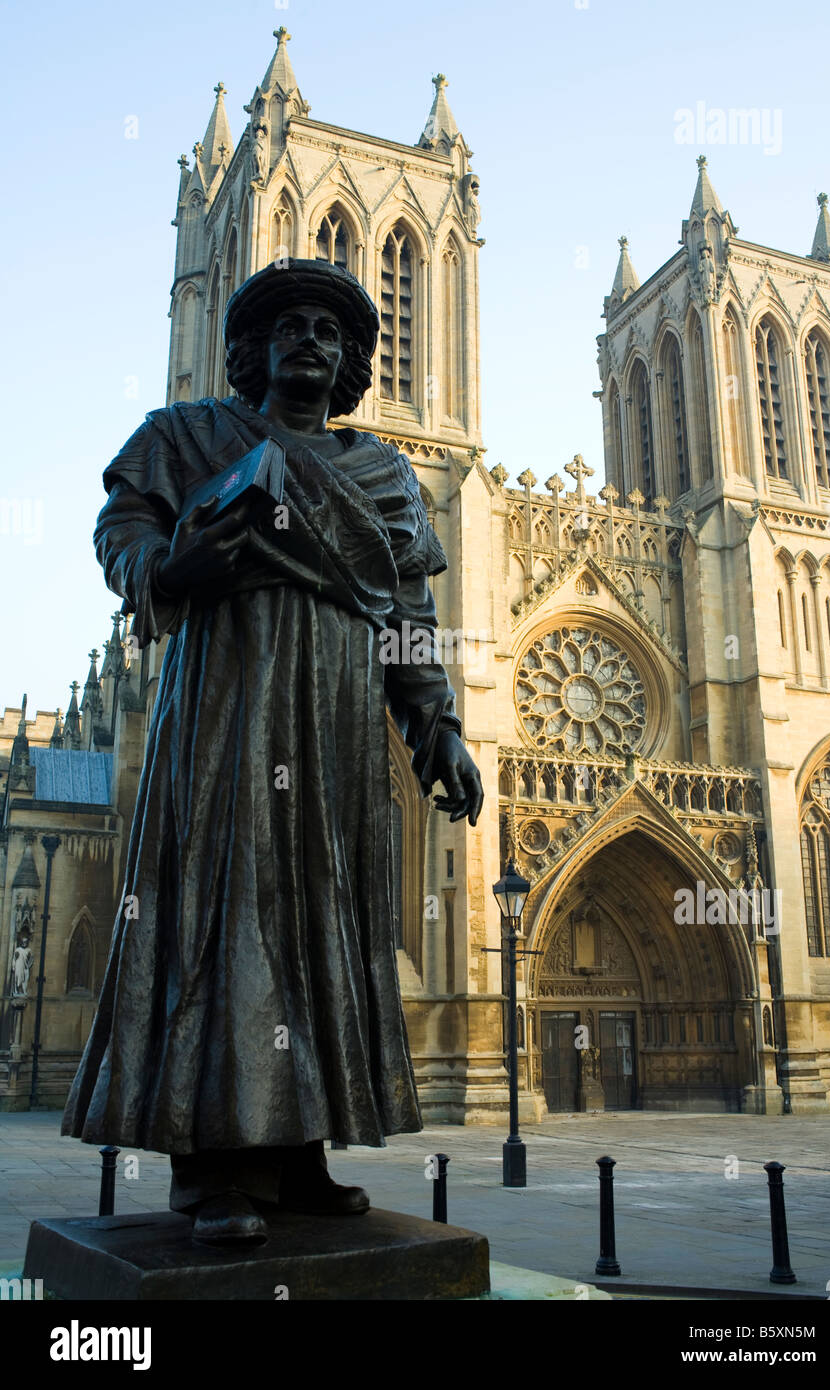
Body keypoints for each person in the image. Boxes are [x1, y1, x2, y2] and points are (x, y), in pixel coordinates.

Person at [61, 259, 483, 1245]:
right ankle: (213, 1166)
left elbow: (407, 614)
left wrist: (436, 726)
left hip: (335, 719)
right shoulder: (190, 435)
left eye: (331, 334)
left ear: (345, 365)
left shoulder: (379, 471)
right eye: (291, 326)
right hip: (228, 701)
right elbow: (121, 527)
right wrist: (168, 564)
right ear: (252, 350)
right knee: (227, 902)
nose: (312, 340)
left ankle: (297, 1151)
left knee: (320, 913)